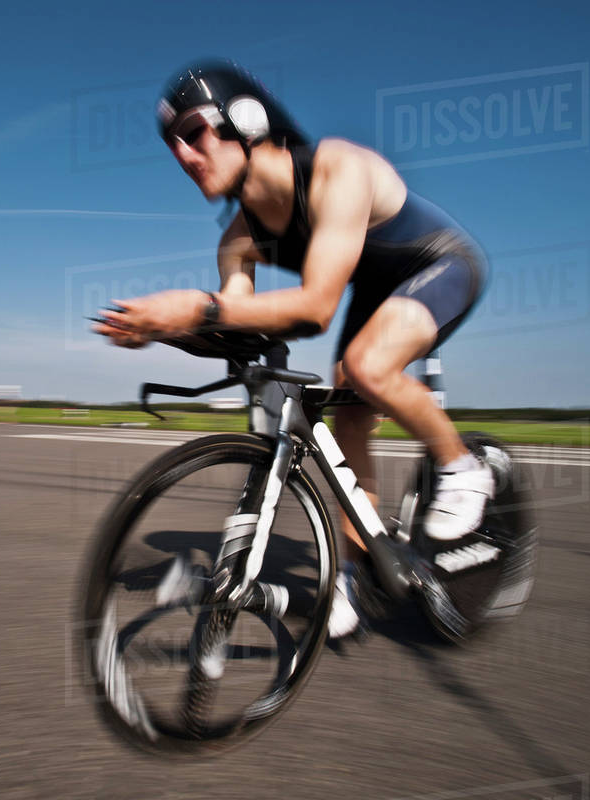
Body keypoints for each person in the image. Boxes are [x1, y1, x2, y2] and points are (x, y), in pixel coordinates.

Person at [92, 59, 492, 639]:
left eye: (192, 132)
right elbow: (244, 329)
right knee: (348, 415)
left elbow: (314, 308)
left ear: (246, 120)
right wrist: (169, 329)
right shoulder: (237, 242)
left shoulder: (338, 168)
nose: (181, 154)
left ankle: (463, 467)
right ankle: (352, 575)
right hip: (376, 288)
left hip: (439, 262)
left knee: (365, 366)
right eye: (171, 143)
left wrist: (197, 307)